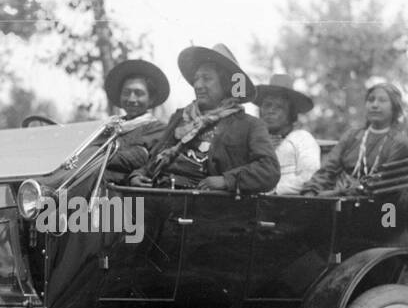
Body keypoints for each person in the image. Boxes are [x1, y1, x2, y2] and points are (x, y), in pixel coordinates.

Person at [129, 43, 279, 193]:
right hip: (163, 196)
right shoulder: (181, 117)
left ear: (227, 84)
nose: (198, 85)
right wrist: (138, 175)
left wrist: (227, 180)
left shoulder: (249, 125)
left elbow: (269, 170)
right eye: (196, 79)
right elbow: (155, 158)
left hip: (209, 208)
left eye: (206, 78)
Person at [303, 80, 408, 196]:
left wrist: (337, 193)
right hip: (342, 200)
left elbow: (382, 184)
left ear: (394, 108)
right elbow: (328, 170)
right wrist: (311, 192)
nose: (375, 105)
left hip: (381, 207)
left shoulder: (400, 143)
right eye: (371, 100)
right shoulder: (352, 136)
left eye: (382, 100)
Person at [102, 59, 170, 182]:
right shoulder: (109, 128)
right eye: (126, 93)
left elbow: (152, 165)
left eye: (139, 93)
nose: (131, 99)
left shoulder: (158, 130)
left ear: (151, 99)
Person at [254, 74, 321, 195]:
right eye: (267, 105)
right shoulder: (254, 142)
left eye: (279, 107)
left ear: (290, 113)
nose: (271, 111)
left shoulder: (302, 138)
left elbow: (309, 177)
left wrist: (273, 190)